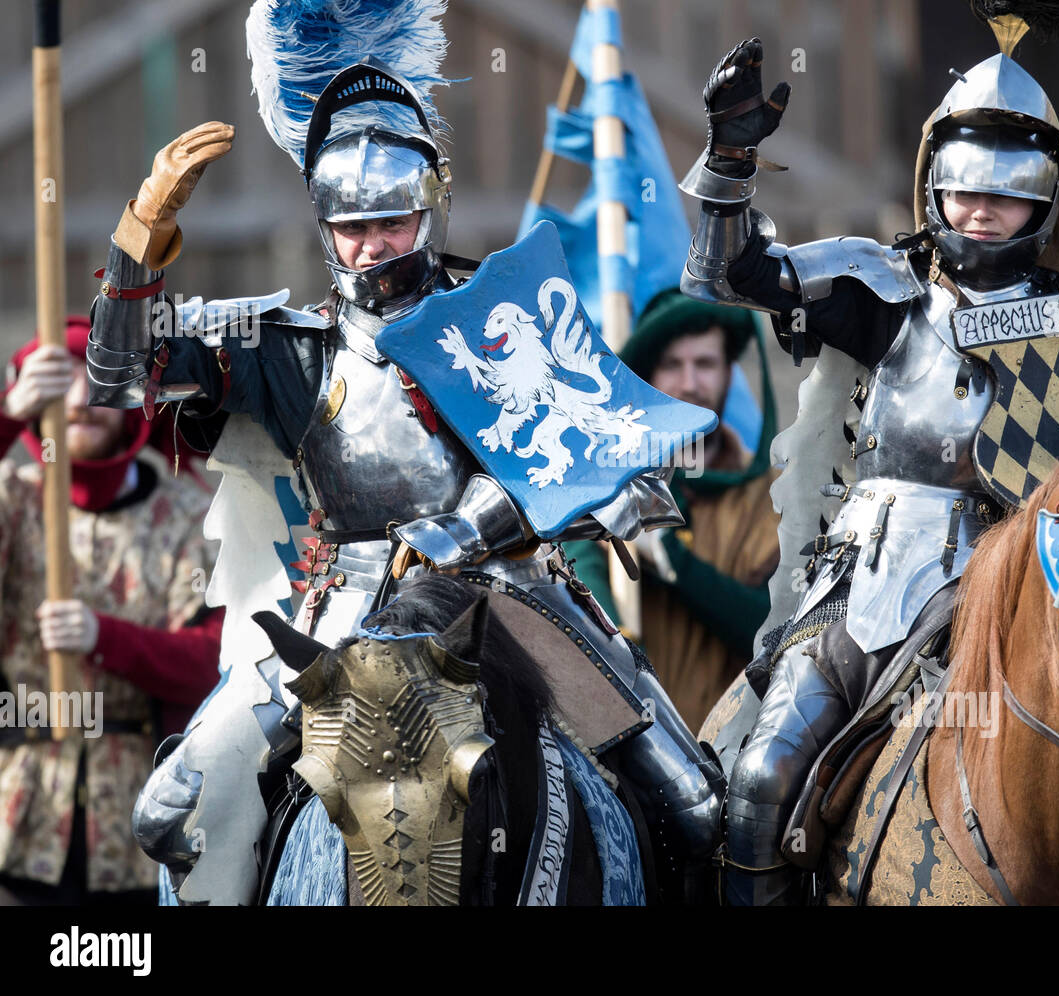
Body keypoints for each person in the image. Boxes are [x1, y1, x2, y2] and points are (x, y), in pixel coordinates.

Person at [90, 2, 722, 904]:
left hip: (512, 597)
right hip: (342, 610)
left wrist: (463, 529)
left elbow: (593, 456)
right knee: (168, 813)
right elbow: (120, 377)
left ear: (429, 211)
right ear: (323, 228)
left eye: (390, 222)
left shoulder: (504, 316)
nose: (371, 245)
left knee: (695, 807)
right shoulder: (288, 345)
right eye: (351, 227)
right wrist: (141, 238)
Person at [678, 27, 1059, 904]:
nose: (980, 207)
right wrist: (729, 163)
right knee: (760, 787)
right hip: (870, 586)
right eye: (963, 184)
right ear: (932, 185)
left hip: (1017, 586)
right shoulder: (886, 293)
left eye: (1010, 188)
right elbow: (729, 277)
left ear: (1048, 197)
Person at [0, 317, 221, 905]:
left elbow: (211, 663)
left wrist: (107, 638)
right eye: (59, 384)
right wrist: (6, 417)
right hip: (19, 809)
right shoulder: (13, 495)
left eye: (95, 381)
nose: (79, 402)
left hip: (137, 815)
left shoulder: (187, 508)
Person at [569, 290, 781, 731]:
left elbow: (768, 629)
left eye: (705, 364)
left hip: (737, 748)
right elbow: (574, 573)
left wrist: (669, 557)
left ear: (728, 373)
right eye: (672, 365)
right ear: (647, 377)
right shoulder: (606, 482)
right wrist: (614, 637)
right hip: (629, 747)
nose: (689, 383)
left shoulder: (776, 496)